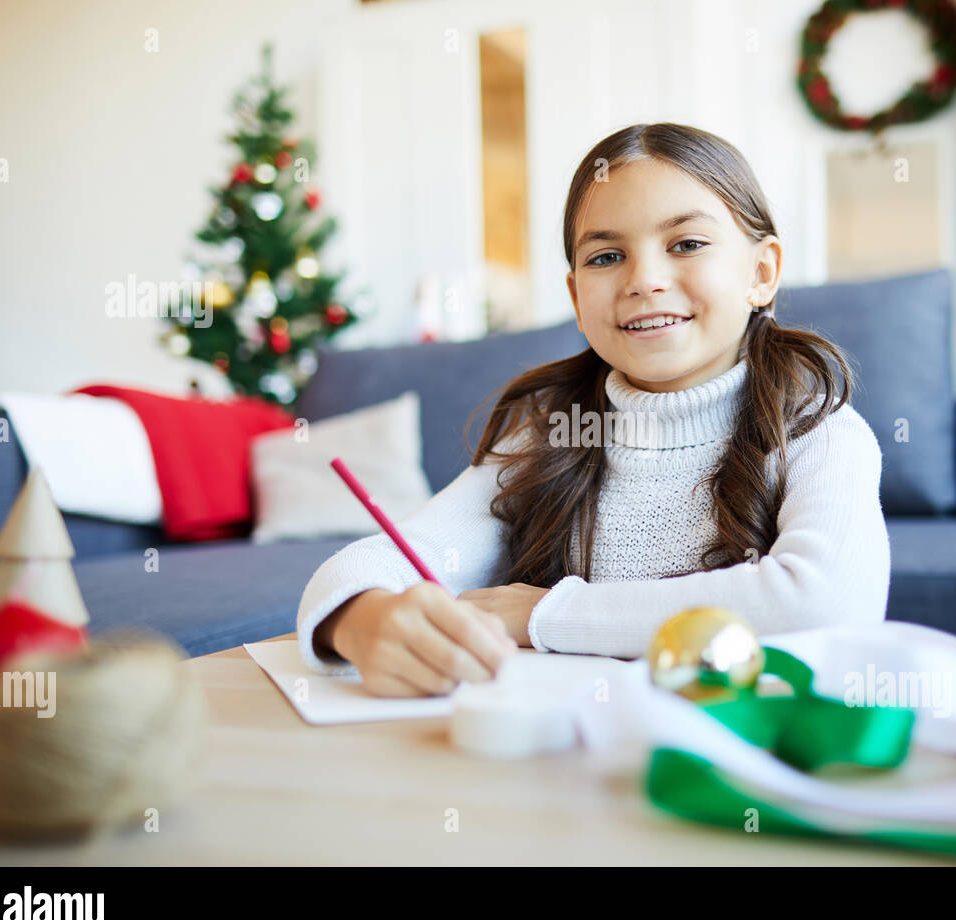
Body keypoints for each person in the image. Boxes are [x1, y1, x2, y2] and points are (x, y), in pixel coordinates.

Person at [295, 122, 890, 697]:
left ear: (761, 273)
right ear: (578, 297)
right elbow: (371, 564)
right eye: (607, 257)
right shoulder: (546, 438)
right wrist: (362, 621)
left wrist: (547, 616)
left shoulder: (818, 432)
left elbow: (830, 601)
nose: (645, 279)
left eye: (686, 244)